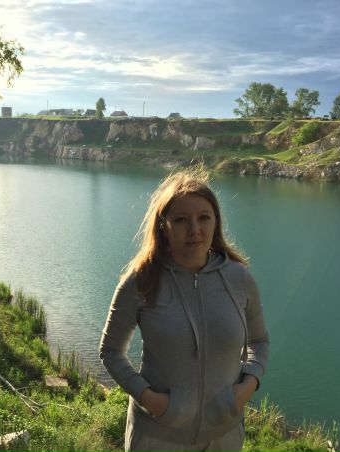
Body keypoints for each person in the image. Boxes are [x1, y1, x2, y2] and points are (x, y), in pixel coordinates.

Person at [99, 168, 269, 452]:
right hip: (156, 438)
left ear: (216, 221)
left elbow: (260, 341)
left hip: (224, 438)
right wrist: (151, 400)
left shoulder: (239, 277)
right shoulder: (142, 280)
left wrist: (247, 386)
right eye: (180, 220)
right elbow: (110, 351)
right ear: (162, 226)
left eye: (204, 217)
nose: (195, 230)